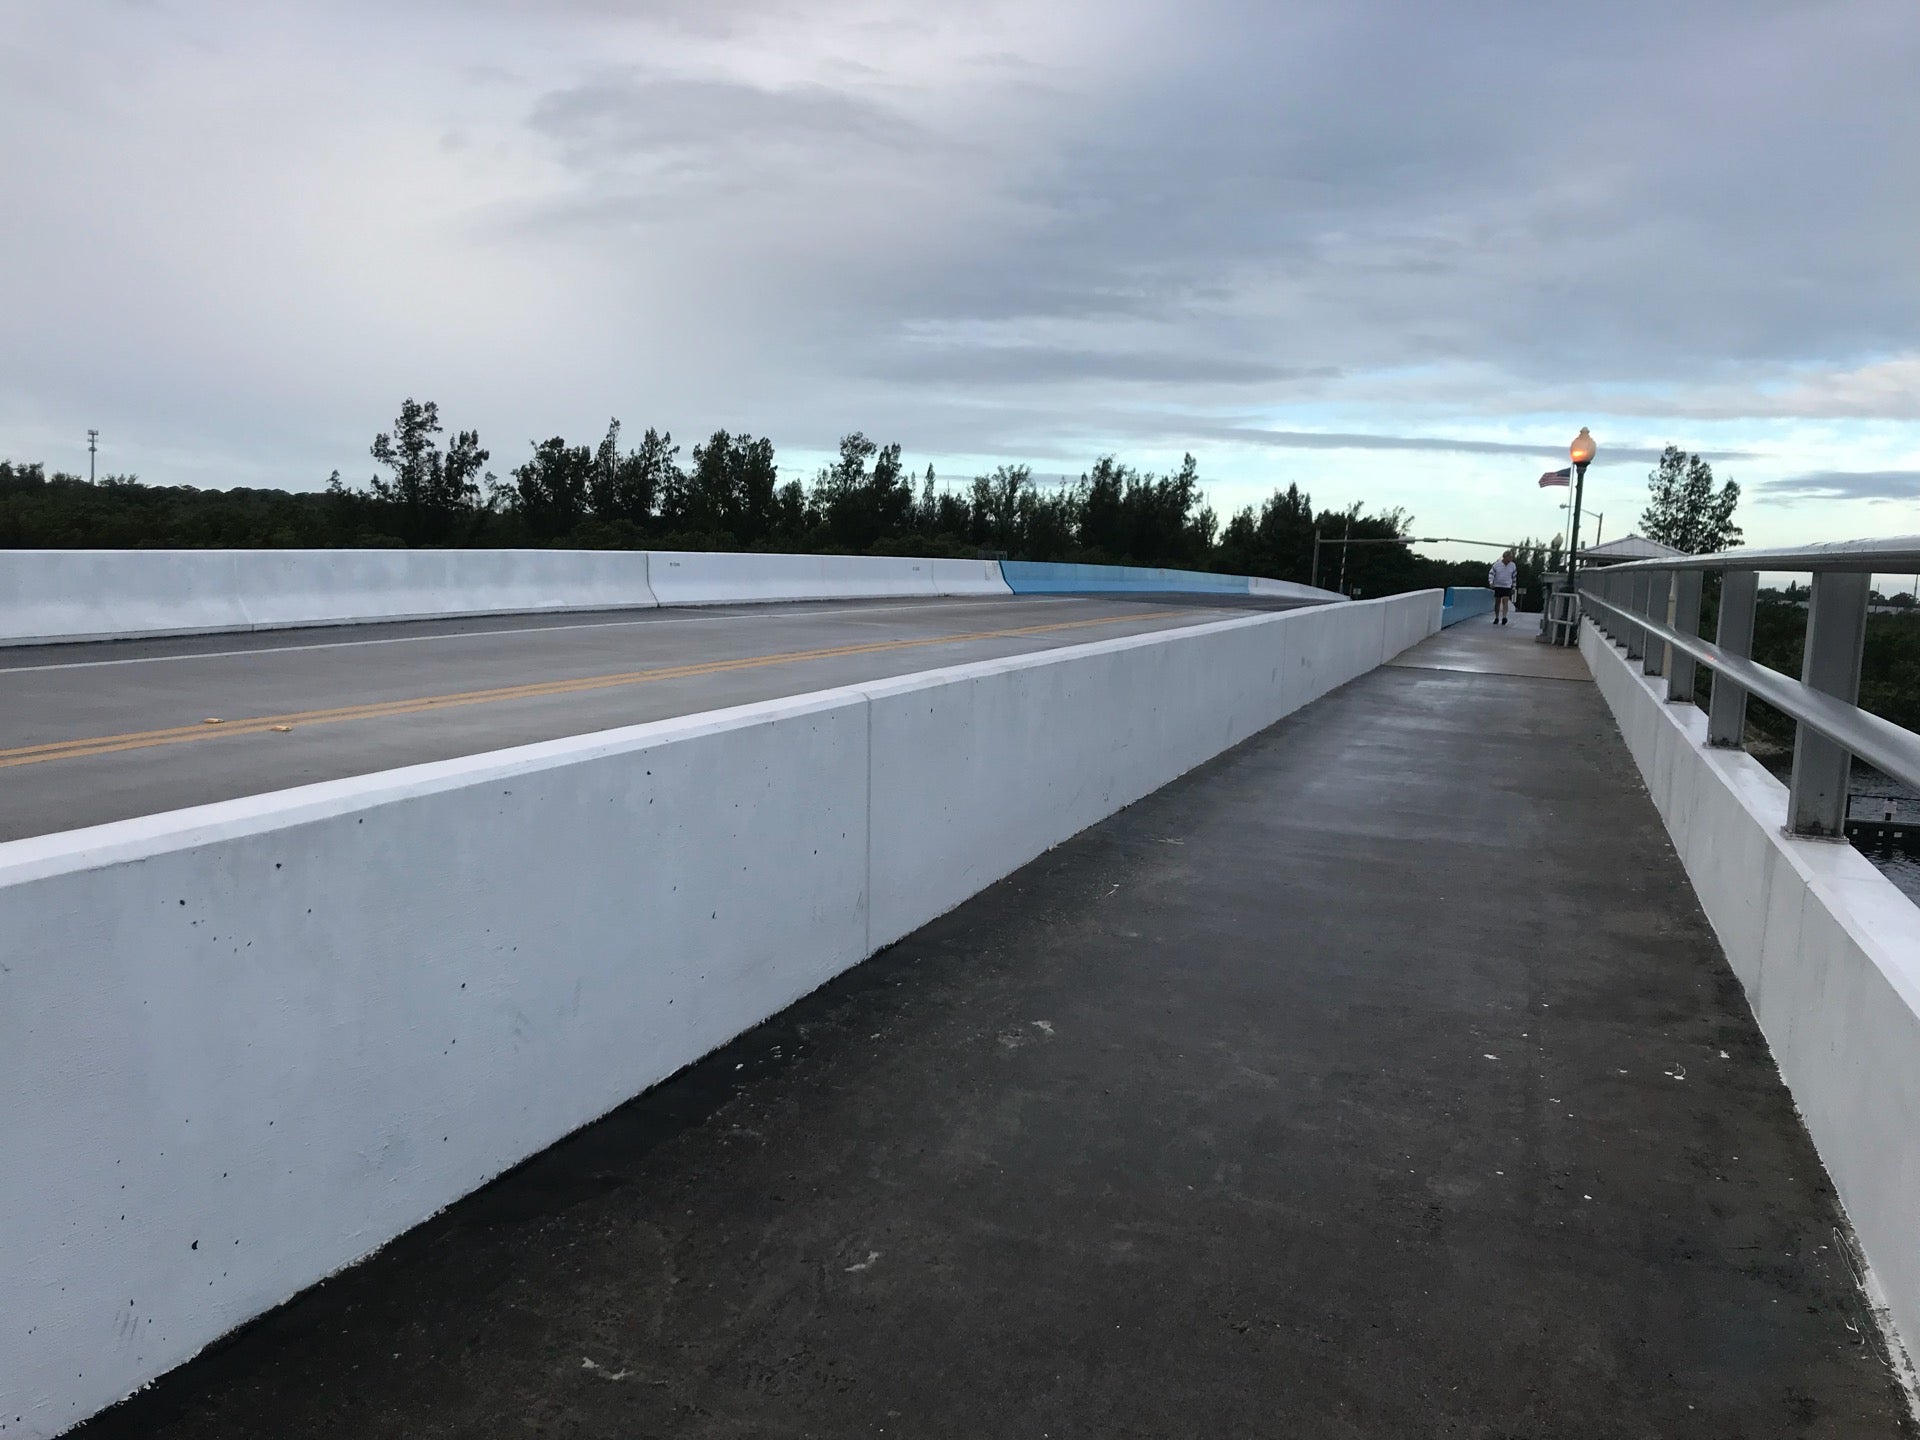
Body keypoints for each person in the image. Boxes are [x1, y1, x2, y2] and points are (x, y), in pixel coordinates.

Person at [1488, 550, 1518, 625]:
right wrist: (1491, 582)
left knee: (1505, 601)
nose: (1511, 558)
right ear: (1505, 557)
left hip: (1507, 586)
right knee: (1497, 602)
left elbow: (1514, 577)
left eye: (1512, 557)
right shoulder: (1497, 564)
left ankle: (1504, 617)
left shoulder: (1513, 565)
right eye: (1510, 557)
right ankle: (1497, 617)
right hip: (1498, 585)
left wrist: (1514, 587)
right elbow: (1491, 573)